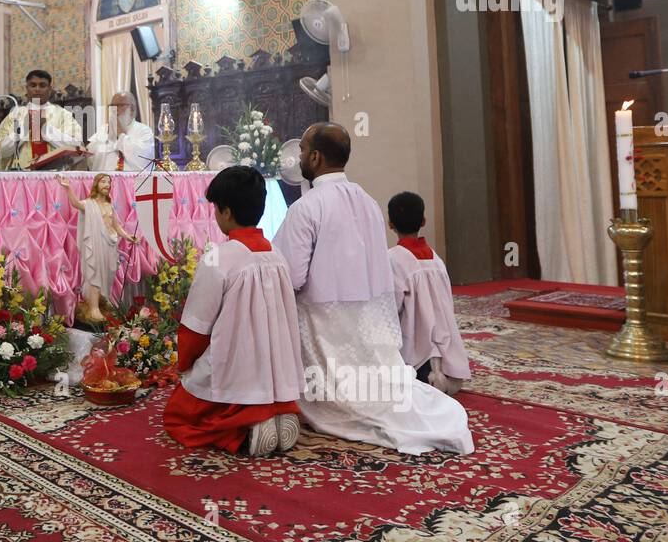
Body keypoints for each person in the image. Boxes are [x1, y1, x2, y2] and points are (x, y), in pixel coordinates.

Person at [276, 123, 474, 455]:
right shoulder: (368, 201)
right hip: (371, 322)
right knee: (379, 385)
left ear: (315, 156)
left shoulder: (307, 208)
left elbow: (290, 277)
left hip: (324, 324)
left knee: (282, 310)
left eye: (302, 152)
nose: (299, 159)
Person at [163, 166, 305, 456]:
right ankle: (276, 413)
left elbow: (196, 326)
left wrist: (186, 365)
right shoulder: (277, 256)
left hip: (235, 368)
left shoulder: (218, 258)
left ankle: (245, 431)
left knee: (178, 416)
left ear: (226, 211)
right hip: (277, 372)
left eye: (216, 209)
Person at [387, 191, 471, 397]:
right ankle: (445, 373)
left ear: (390, 224)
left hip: (418, 352)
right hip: (446, 346)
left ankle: (428, 376)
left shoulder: (393, 259)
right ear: (423, 221)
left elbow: (390, 307)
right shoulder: (437, 260)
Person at [57, 173, 141, 325]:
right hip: (95, 244)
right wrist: (68, 188)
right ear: (96, 184)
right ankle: (94, 307)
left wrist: (128, 236)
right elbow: (75, 204)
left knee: (108, 274)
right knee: (95, 273)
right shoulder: (89, 204)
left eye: (109, 182)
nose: (107, 185)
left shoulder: (109, 205)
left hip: (110, 244)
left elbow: (116, 225)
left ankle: (103, 300)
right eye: (103, 182)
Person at [0, 69, 83, 169]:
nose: (37, 89)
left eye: (42, 85)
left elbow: (76, 146)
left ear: (50, 89)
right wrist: (24, 129)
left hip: (55, 176)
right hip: (22, 176)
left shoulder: (63, 114)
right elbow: (0, 152)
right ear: (27, 88)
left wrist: (46, 129)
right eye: (33, 85)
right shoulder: (15, 115)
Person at [88, 92, 155, 172]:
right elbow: (90, 156)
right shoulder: (104, 130)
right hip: (105, 181)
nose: (115, 110)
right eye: (112, 106)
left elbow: (144, 160)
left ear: (132, 109)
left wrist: (120, 135)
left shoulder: (144, 131)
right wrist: (106, 139)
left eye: (120, 105)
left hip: (132, 182)